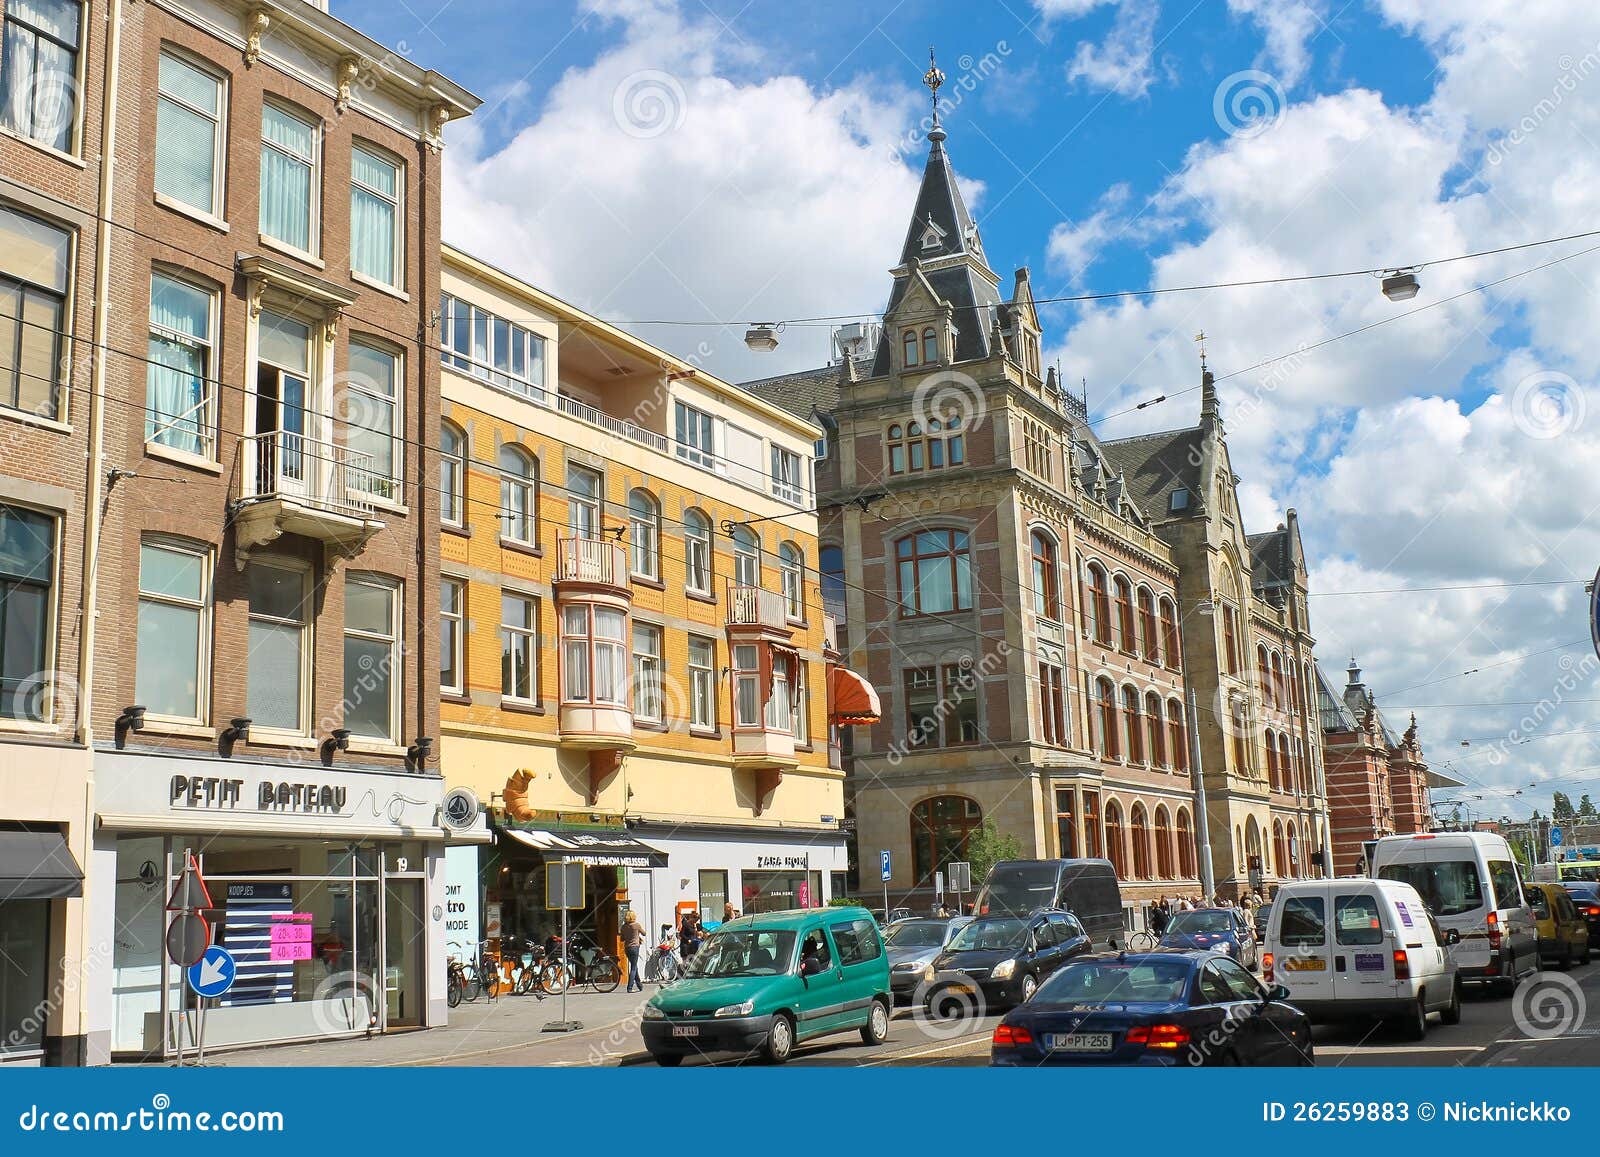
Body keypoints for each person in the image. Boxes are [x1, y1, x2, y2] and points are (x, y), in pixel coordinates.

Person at [621, 909, 646, 992]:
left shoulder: (623, 927)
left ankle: (639, 985)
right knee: (633, 968)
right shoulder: (636, 925)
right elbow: (644, 933)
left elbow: (622, 939)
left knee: (634, 966)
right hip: (635, 947)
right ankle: (629, 987)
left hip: (627, 948)